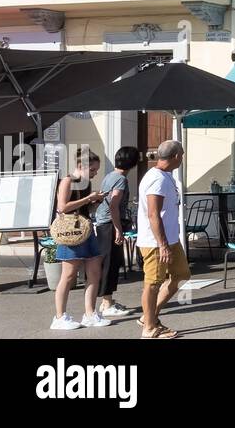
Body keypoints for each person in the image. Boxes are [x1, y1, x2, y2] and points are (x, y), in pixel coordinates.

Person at [137, 139, 190, 339]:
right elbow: (153, 214)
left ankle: (149, 316)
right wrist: (163, 245)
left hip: (170, 239)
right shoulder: (156, 179)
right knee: (153, 283)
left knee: (181, 274)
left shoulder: (165, 176)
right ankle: (149, 328)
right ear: (176, 156)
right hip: (155, 241)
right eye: (182, 155)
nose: (182, 159)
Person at [50, 149, 109, 330]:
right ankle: (59, 317)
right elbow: (62, 208)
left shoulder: (86, 183)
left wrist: (95, 202)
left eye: (96, 170)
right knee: (68, 275)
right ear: (81, 166)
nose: (94, 173)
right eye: (92, 170)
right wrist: (88, 199)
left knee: (94, 272)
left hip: (85, 229)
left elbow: (84, 211)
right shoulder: (68, 181)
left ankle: (90, 314)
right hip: (70, 233)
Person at [94, 146, 140, 320]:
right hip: (109, 224)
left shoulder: (109, 176)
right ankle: (106, 303)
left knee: (110, 262)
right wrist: (118, 229)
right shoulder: (120, 179)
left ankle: (108, 301)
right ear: (133, 163)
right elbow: (113, 205)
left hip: (103, 223)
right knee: (111, 263)